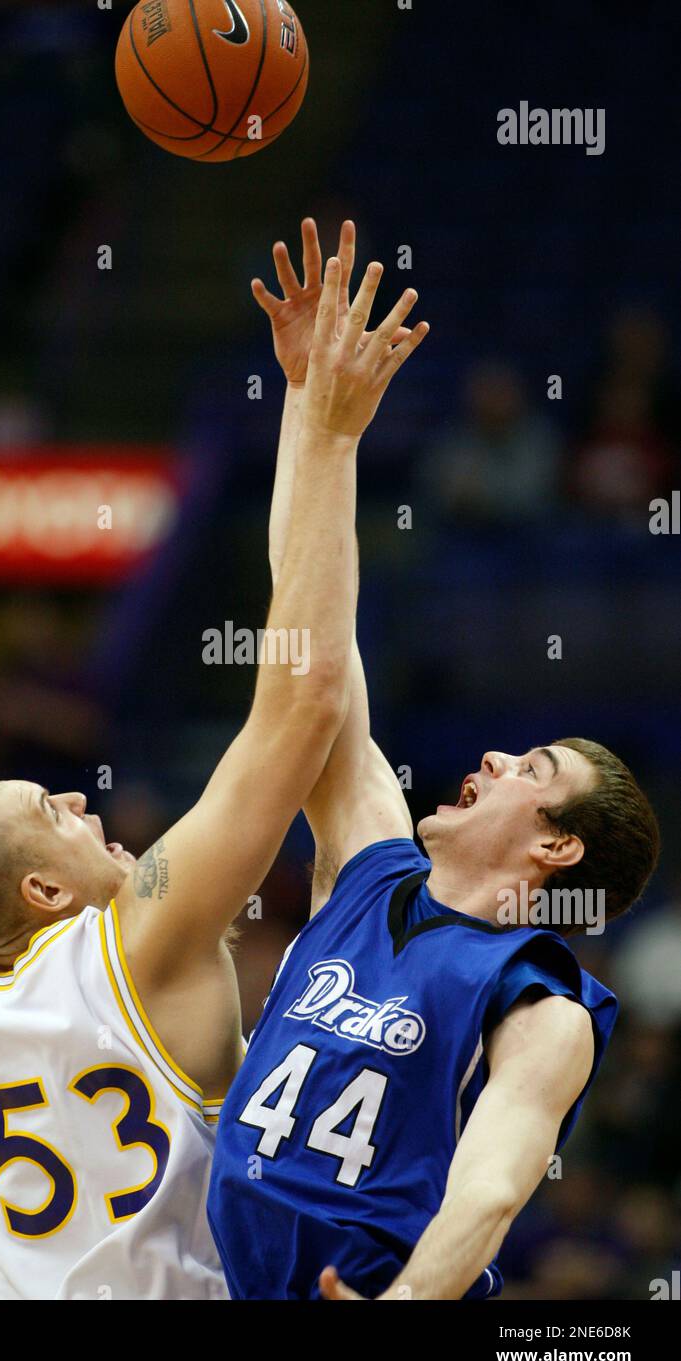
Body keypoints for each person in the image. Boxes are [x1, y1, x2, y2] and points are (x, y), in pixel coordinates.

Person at [0, 240, 430, 1300]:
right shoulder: (141, 934)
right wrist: (327, 427)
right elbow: (303, 702)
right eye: (49, 810)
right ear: (46, 892)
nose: (75, 795)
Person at [206, 219, 660, 1301]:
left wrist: (408, 1304)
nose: (496, 755)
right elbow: (309, 643)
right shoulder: (367, 864)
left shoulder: (542, 1006)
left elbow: (494, 1188)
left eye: (533, 767)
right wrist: (316, 417)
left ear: (556, 844)